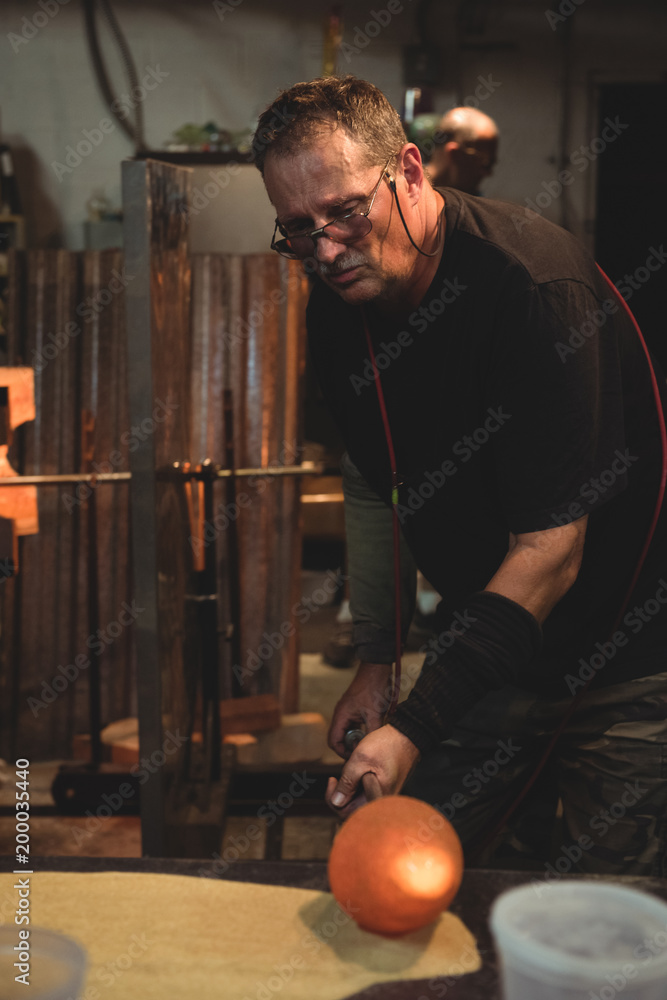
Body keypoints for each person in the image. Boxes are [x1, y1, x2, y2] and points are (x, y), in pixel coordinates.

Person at [252, 75, 667, 875]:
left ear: (409, 172)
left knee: (600, 925)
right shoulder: (338, 306)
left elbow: (550, 552)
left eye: (344, 212)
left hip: (627, 659)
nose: (326, 249)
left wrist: (414, 725)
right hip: (494, 643)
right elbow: (378, 478)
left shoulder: (534, 292)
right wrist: (379, 659)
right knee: (393, 871)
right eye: (297, 229)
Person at [425, 106, 499, 194]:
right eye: (485, 164)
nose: (488, 173)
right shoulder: (409, 192)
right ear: (455, 154)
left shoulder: (474, 201)